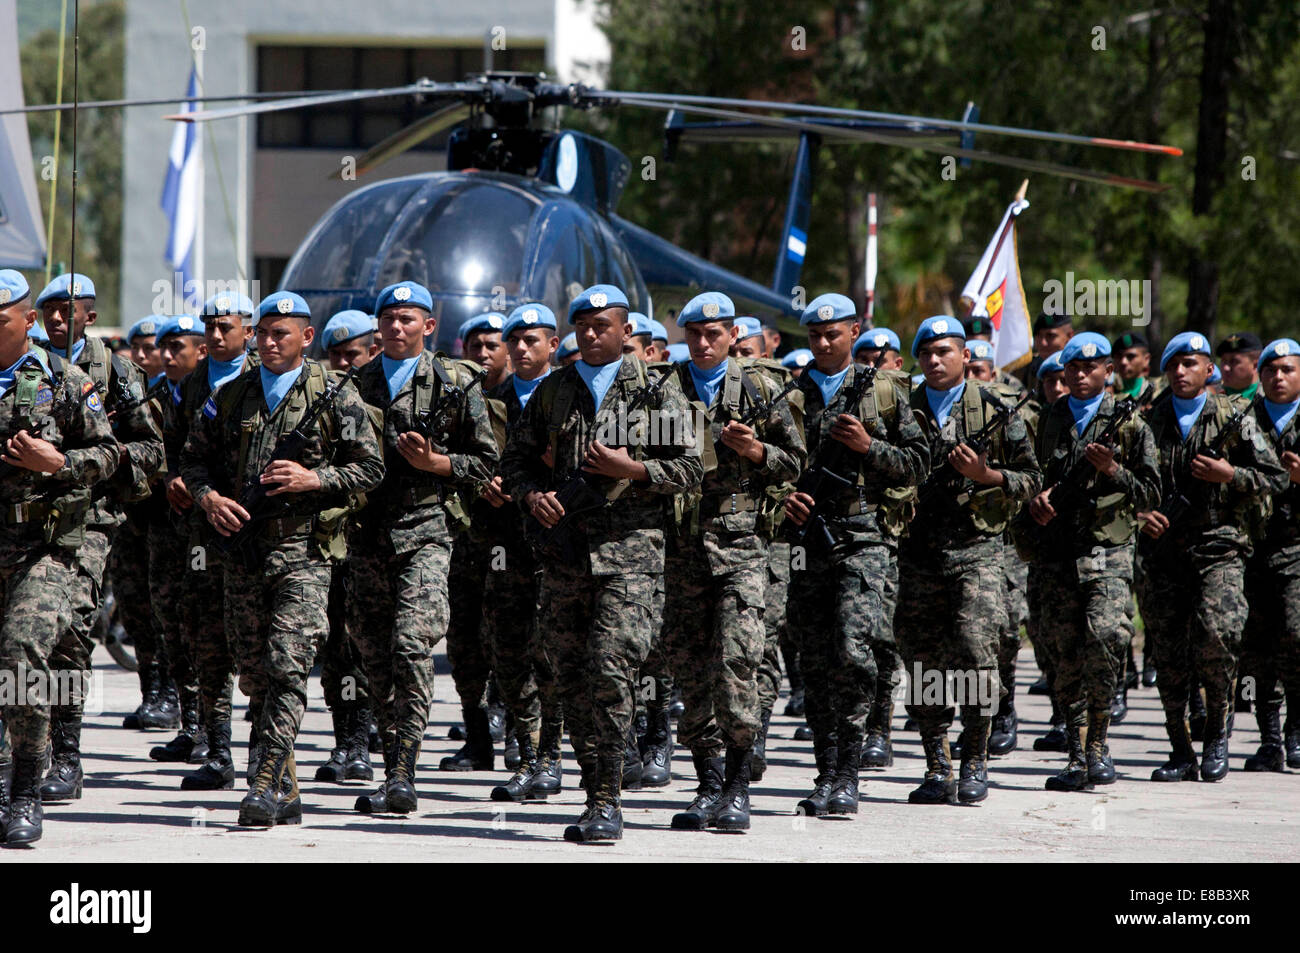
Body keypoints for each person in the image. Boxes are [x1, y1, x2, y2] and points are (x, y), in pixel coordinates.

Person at [500, 283, 703, 842]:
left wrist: (631, 470)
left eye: (603, 326)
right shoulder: (555, 391)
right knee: (570, 679)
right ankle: (594, 786)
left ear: (625, 331)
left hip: (631, 556)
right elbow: (515, 459)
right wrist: (531, 495)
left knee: (611, 672)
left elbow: (688, 470)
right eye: (583, 326)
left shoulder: (657, 391)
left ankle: (607, 800)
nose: (591, 335)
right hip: (565, 557)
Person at [181, 291, 383, 826]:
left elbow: (371, 469)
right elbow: (193, 462)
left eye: (281, 334)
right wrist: (209, 500)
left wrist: (316, 478)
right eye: (264, 333)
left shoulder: (335, 393)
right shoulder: (230, 394)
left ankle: (264, 784)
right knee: (254, 675)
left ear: (306, 338)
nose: (270, 343)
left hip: (304, 552)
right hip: (243, 552)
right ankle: (286, 787)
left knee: (288, 665)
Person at [662, 292, 805, 831]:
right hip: (680, 550)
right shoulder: (661, 390)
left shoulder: (762, 389)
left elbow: (795, 462)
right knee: (691, 672)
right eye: (694, 333)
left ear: (731, 335)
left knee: (736, 666)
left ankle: (739, 786)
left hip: (742, 549)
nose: (703, 342)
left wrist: (754, 452)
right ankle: (707, 783)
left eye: (714, 333)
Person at [783, 294, 928, 817]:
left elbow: (918, 462)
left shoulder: (885, 390)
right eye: (815, 336)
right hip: (807, 541)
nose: (824, 343)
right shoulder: (789, 392)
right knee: (815, 658)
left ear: (854, 332)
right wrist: (785, 498)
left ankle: (849, 771)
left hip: (865, 537)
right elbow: (772, 465)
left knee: (853, 647)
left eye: (834, 334)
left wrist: (871, 448)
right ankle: (825, 772)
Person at [0, 269, 120, 845]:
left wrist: (59, 465)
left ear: (26, 322)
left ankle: (27, 787)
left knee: (21, 651)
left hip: (43, 546)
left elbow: (111, 453)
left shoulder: (62, 379)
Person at [898, 317, 1038, 804]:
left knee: (977, 654)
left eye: (944, 352)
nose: (934, 361)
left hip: (976, 549)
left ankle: (974, 759)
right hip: (915, 552)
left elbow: (1030, 479)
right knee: (922, 662)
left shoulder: (995, 408)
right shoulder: (902, 409)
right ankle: (938, 765)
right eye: (926, 354)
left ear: (964, 355)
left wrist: (987, 474)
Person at [37, 274, 165, 804]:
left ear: (90, 314)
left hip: (89, 521)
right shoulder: (28, 366)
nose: (58, 319)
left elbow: (149, 450)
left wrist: (91, 456)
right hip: (25, 520)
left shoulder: (115, 370)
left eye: (69, 310)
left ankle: (65, 755)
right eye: (49, 310)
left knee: (70, 632)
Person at [1137, 331, 1283, 783]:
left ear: (1208, 370)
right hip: (1163, 552)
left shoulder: (1233, 417)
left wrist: (1230, 474)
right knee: (1168, 651)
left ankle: (1217, 732)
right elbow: (1125, 483)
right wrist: (1142, 513)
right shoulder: (1148, 420)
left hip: (1220, 546)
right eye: (1174, 365)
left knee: (1218, 635)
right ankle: (1181, 748)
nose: (1181, 372)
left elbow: (1273, 478)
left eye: (1190, 363)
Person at [1023, 332, 1160, 791]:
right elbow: (1025, 478)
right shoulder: (1045, 421)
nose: (1081, 375)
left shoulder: (1130, 426)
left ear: (1108, 372)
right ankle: (1078, 755)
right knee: (1064, 655)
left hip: (1109, 552)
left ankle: (1099, 744)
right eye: (1073, 368)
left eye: (1091, 367)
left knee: (1105, 640)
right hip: (1057, 554)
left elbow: (1152, 494)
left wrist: (1113, 471)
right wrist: (1035, 498)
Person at [486, 303, 565, 802]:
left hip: (557, 541)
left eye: (531, 340)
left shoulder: (570, 395)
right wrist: (484, 483)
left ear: (552, 345)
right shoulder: (488, 398)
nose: (520, 349)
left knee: (553, 653)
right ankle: (527, 753)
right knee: (509, 653)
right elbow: (466, 456)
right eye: (513, 340)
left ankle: (552, 757)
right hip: (501, 541)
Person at [311, 308, 380, 787]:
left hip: (385, 539)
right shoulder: (319, 395)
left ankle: (389, 739)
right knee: (340, 647)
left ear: (371, 350)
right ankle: (351, 743)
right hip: (331, 540)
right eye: (333, 355)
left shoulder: (381, 391)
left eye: (350, 354)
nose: (341, 363)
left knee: (384, 645)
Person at [442, 312, 512, 772]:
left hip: (514, 538)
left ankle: (519, 736)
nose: (483, 354)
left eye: (492, 345)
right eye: (475, 346)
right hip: (466, 538)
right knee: (464, 643)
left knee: (509, 638)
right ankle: (476, 734)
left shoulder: (530, 396)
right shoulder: (454, 397)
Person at [1241, 338, 1300, 772]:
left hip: (1297, 547)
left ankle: (1297, 733)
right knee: (1257, 647)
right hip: (1251, 546)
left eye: (1288, 369)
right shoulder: (1241, 419)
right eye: (1271, 370)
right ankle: (1269, 740)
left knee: (1295, 639)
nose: (1278, 377)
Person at [1217, 332, 1263, 405]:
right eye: (1224, 361)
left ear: (1255, 365)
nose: (1226, 368)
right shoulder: (1211, 398)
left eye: (1234, 361)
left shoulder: (1269, 397)